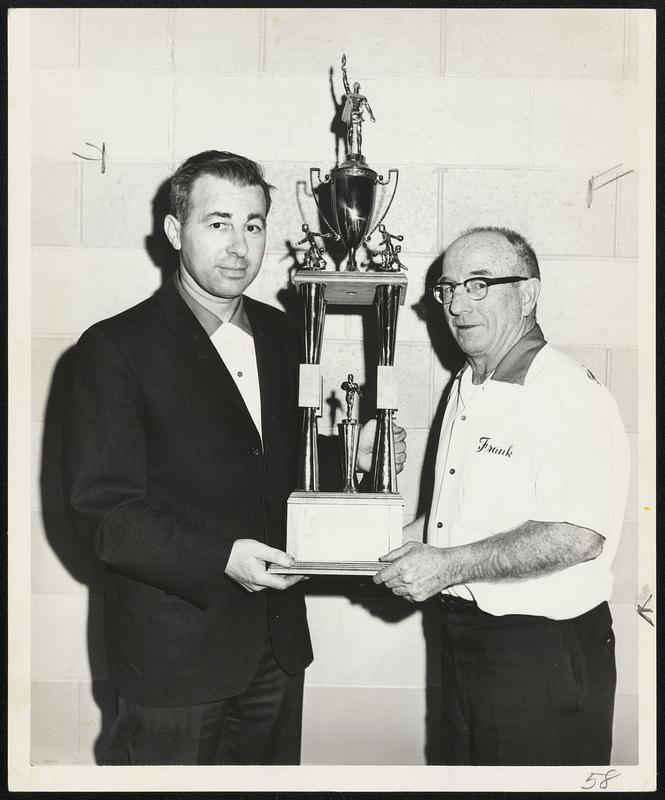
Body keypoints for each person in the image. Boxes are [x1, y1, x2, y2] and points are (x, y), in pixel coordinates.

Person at [62, 150, 406, 766]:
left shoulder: (287, 336)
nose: (239, 245)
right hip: (172, 666)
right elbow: (105, 513)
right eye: (217, 222)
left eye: (253, 224)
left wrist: (356, 461)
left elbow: (295, 470)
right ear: (174, 232)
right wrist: (223, 558)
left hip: (276, 655)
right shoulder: (113, 349)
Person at [374, 227, 630, 766]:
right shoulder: (467, 385)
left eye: (479, 284)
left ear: (528, 293)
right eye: (448, 289)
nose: (458, 304)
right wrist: (340, 546)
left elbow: (578, 536)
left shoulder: (566, 391)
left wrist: (445, 568)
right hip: (465, 642)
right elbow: (444, 526)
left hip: (541, 655)